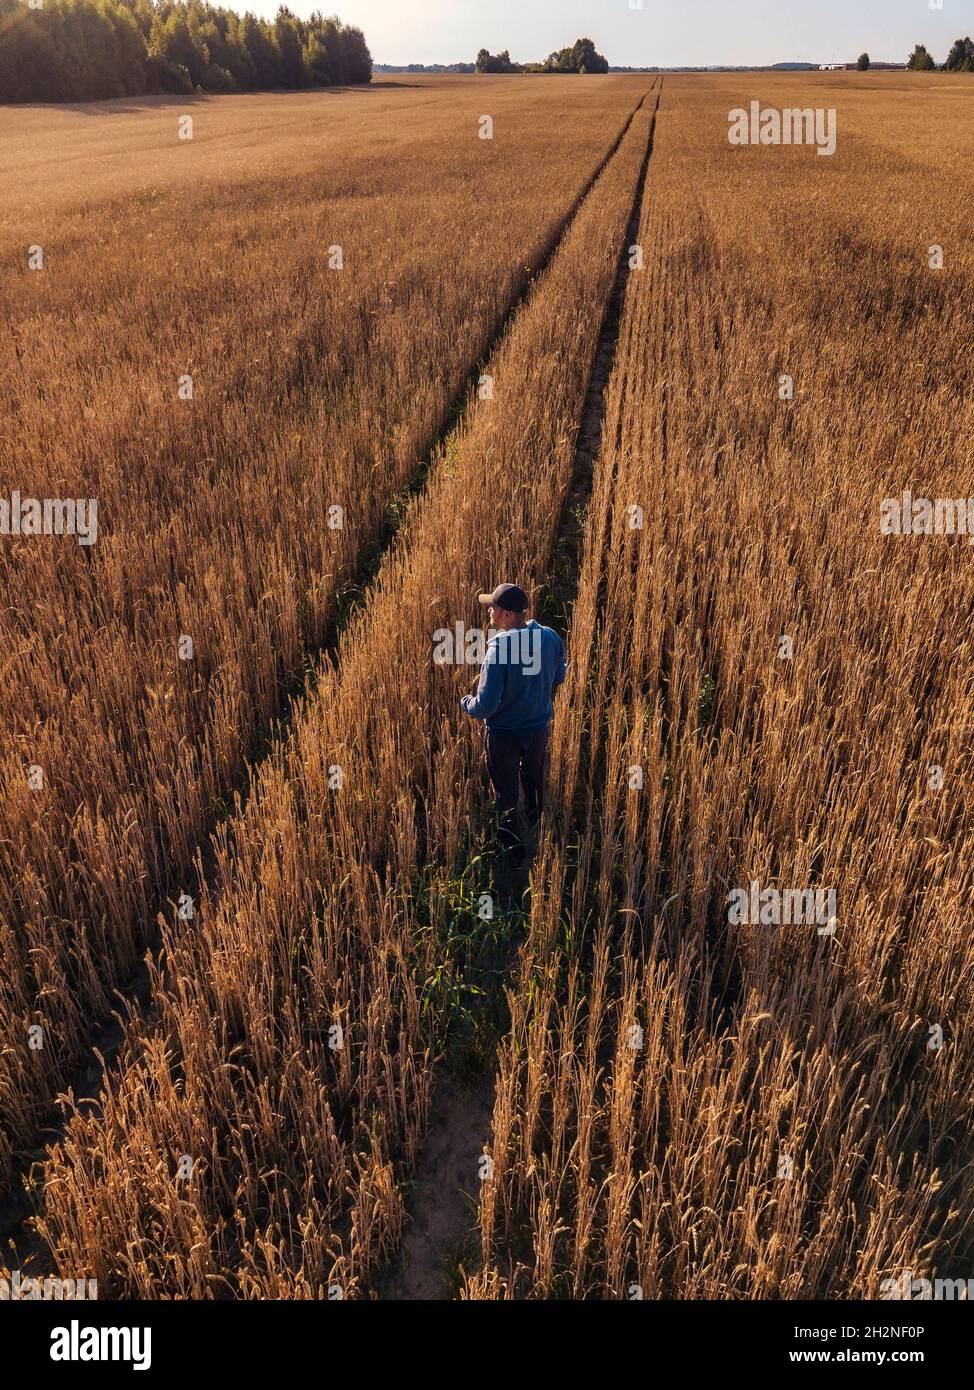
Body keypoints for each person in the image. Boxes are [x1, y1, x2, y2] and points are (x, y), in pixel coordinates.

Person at [460, 582, 566, 866]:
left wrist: (465, 702)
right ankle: (536, 817)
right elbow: (559, 677)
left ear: (506, 615)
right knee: (533, 776)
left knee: (505, 791)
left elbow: (485, 706)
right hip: (539, 728)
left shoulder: (498, 649)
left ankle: (513, 851)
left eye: (493, 607)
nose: (489, 610)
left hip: (505, 735)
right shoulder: (551, 636)